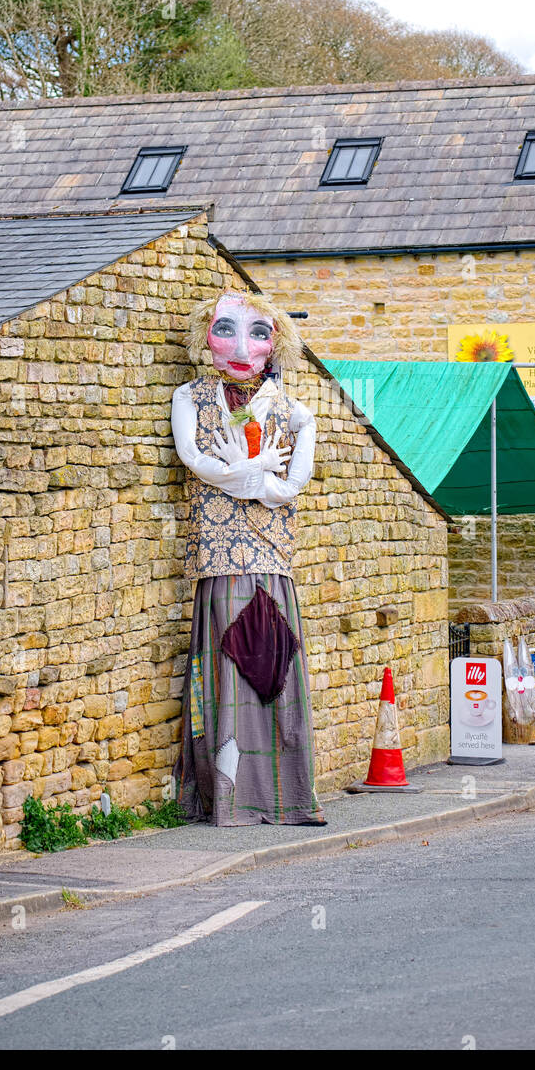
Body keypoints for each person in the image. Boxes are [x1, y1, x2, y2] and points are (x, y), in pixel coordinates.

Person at [170, 287, 325, 826]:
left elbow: (293, 485)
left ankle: (280, 793)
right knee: (225, 672)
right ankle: (229, 797)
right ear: (205, 338)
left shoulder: (295, 412)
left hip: (270, 557)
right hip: (217, 556)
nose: (241, 346)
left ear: (274, 342)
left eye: (257, 332)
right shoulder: (190, 398)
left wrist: (250, 476)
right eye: (226, 330)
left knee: (272, 665)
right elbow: (196, 461)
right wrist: (254, 471)